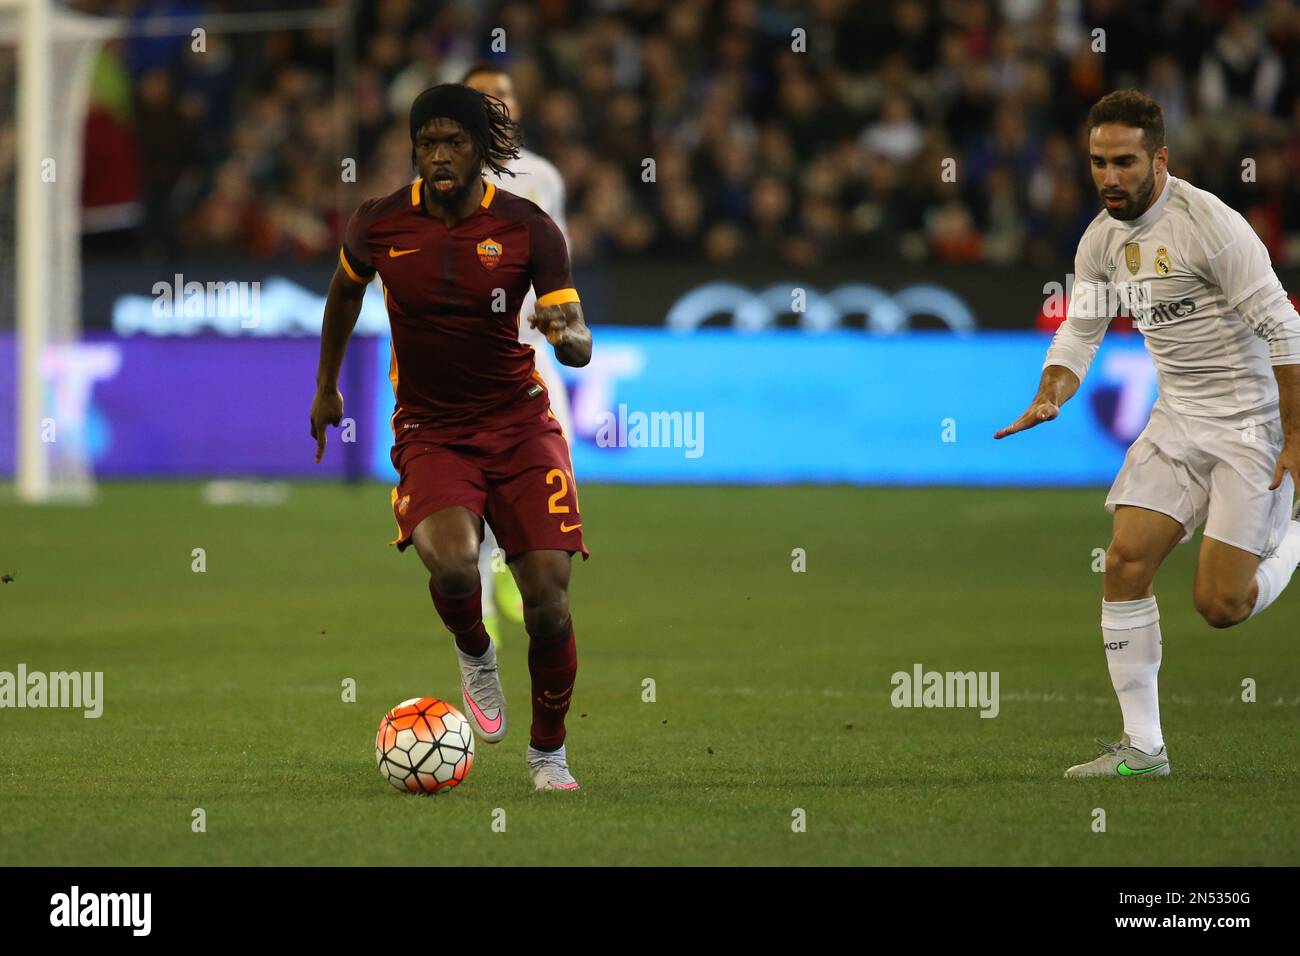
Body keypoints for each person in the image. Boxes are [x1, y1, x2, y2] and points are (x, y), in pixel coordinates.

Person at [996, 89, 1300, 779]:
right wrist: (1053, 389)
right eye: (1099, 162)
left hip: (1250, 424)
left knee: (1221, 606)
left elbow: (1285, 326)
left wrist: (1296, 439)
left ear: (1159, 158)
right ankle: (1144, 750)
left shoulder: (1210, 226)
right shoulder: (1101, 238)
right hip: (1177, 420)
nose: (1110, 176)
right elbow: (1081, 329)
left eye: (1125, 162)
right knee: (1124, 563)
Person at [310, 84, 592, 790]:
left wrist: (569, 336)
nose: (438, 156)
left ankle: (548, 753)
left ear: (480, 152)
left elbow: (574, 336)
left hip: (520, 424)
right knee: (457, 567)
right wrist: (326, 385)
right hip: (432, 430)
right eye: (427, 143)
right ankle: (475, 652)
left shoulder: (529, 229)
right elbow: (345, 292)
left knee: (549, 601)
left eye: (454, 143)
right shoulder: (378, 223)